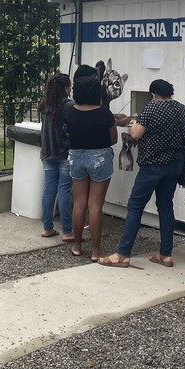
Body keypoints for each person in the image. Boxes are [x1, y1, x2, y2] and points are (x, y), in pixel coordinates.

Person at [99, 79, 185, 269]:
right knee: (165, 206)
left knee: (135, 206)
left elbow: (135, 134)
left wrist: (136, 123)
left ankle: (123, 254)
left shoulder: (152, 108)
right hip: (176, 165)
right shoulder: (184, 110)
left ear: (153, 95)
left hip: (152, 166)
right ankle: (165, 255)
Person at [63, 76, 116, 261]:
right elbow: (113, 139)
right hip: (99, 158)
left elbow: (66, 134)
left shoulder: (70, 112)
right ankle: (95, 252)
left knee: (79, 204)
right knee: (95, 205)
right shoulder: (105, 114)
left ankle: (77, 246)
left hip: (76, 157)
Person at [38, 74, 74, 241]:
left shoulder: (44, 106)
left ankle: (47, 228)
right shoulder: (69, 106)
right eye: (70, 86)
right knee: (64, 191)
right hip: (65, 152)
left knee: (49, 189)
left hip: (47, 152)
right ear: (66, 88)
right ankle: (67, 231)